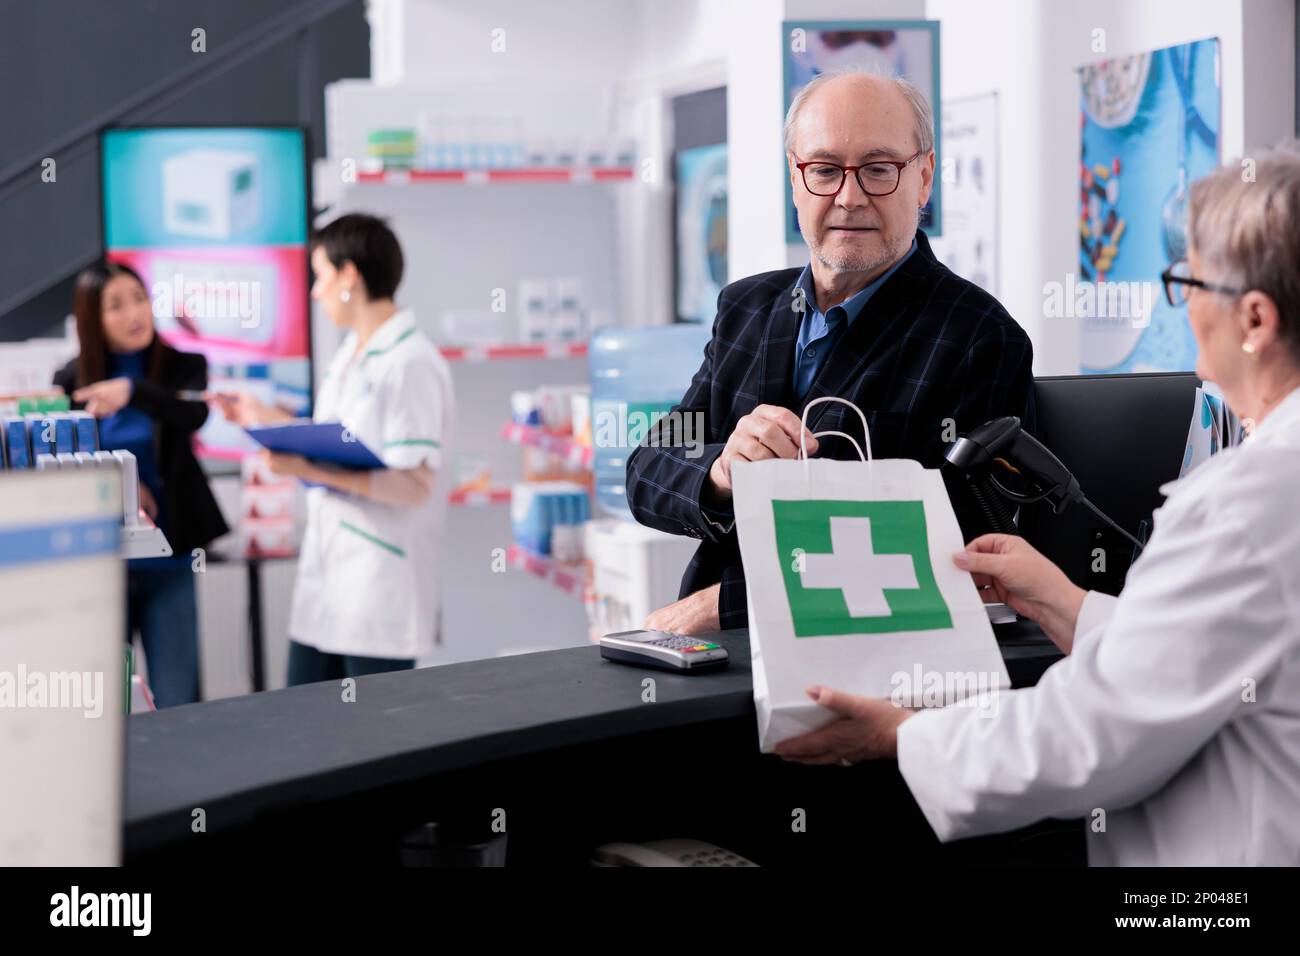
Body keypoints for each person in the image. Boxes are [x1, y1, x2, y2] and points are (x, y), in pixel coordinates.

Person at [773, 145, 1300, 866]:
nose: (1182, 308)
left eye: (1188, 284)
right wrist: (1066, 602)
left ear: (1256, 320)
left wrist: (903, 735)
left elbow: (1097, 732)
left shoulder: (1251, 502)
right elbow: (1213, 651)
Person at [627, 69, 1035, 635]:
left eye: (878, 169)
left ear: (924, 177)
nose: (849, 197)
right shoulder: (744, 309)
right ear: (795, 180)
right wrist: (721, 472)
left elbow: (958, 552)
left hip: (871, 673)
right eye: (823, 170)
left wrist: (721, 606)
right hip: (720, 669)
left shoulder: (979, 338)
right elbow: (649, 466)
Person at [216, 213, 454, 684]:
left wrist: (307, 468)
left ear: (349, 276)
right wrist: (264, 418)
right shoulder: (351, 354)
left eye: (320, 275)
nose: (314, 290)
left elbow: (413, 486)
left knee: (373, 742)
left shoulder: (411, 363)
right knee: (305, 727)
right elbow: (338, 438)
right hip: (328, 582)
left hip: (378, 585)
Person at [54, 261, 229, 708]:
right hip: (101, 567)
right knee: (105, 705)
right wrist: (121, 490)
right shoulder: (70, 380)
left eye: (139, 298)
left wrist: (133, 390)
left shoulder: (184, 366)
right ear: (92, 319)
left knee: (177, 700)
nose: (135, 313)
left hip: (171, 560)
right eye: (116, 305)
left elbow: (193, 414)